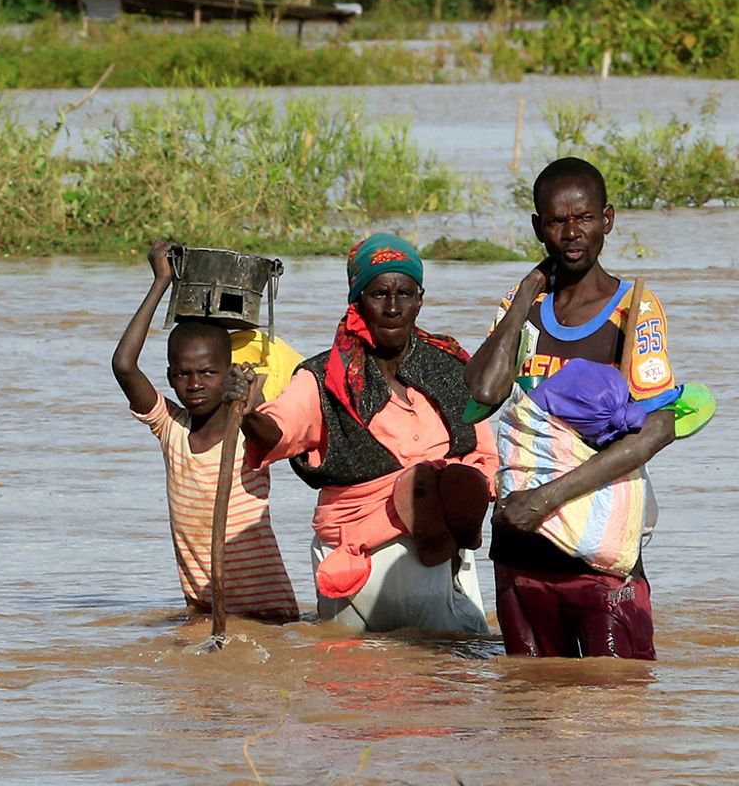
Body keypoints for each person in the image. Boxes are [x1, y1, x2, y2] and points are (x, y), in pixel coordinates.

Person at [466, 156, 679, 660]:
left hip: (599, 554)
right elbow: (483, 394)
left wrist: (546, 499)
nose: (572, 232)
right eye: (557, 222)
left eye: (582, 218)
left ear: (607, 219)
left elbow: (655, 430)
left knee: (615, 711)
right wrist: (521, 303)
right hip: (520, 550)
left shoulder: (635, 309)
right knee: (528, 711)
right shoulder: (523, 308)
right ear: (539, 228)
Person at [241, 233, 497, 633]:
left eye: (405, 294)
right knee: (356, 678)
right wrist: (247, 413)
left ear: (420, 299)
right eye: (379, 294)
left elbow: (484, 458)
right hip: (353, 555)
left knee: (451, 676)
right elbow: (279, 429)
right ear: (357, 301)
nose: (393, 308)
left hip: (442, 553)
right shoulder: (323, 378)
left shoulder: (450, 366)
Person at [113, 242, 299, 623]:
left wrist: (247, 408)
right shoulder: (172, 430)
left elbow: (274, 436)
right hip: (204, 611)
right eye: (183, 374)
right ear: (170, 377)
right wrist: (161, 282)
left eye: (208, 373)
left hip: (269, 614)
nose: (195, 384)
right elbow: (124, 365)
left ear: (229, 372)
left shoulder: (247, 430)